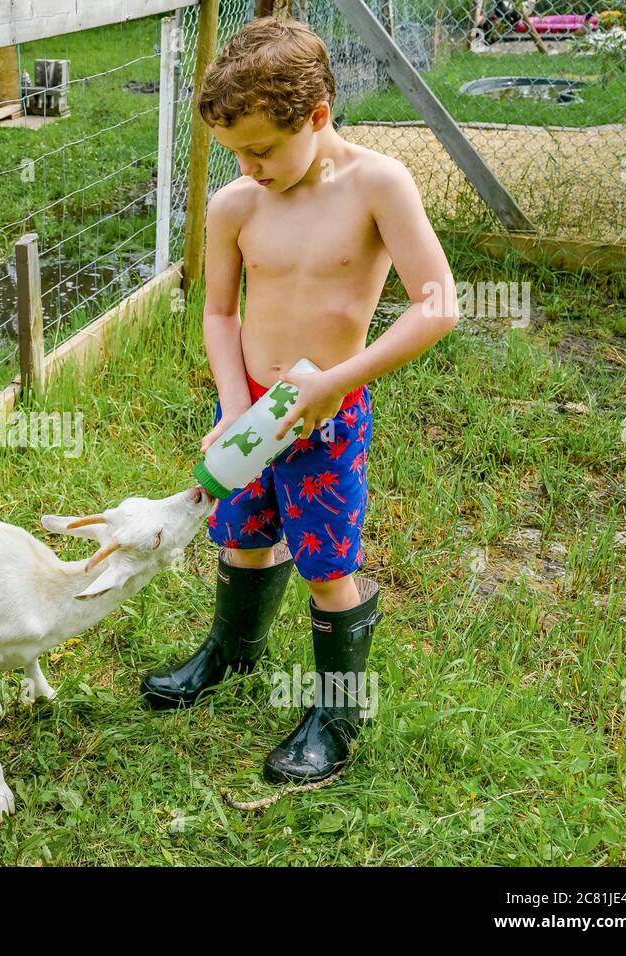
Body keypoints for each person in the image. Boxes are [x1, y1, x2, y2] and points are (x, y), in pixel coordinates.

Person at [141, 16, 459, 785]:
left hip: (327, 411)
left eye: (261, 149)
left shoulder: (378, 185)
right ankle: (231, 653)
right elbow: (220, 314)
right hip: (249, 407)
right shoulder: (237, 205)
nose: (247, 167)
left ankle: (336, 716)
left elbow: (438, 304)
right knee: (241, 535)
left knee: (326, 562)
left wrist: (335, 382)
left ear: (317, 116)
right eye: (234, 152)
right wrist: (231, 405)